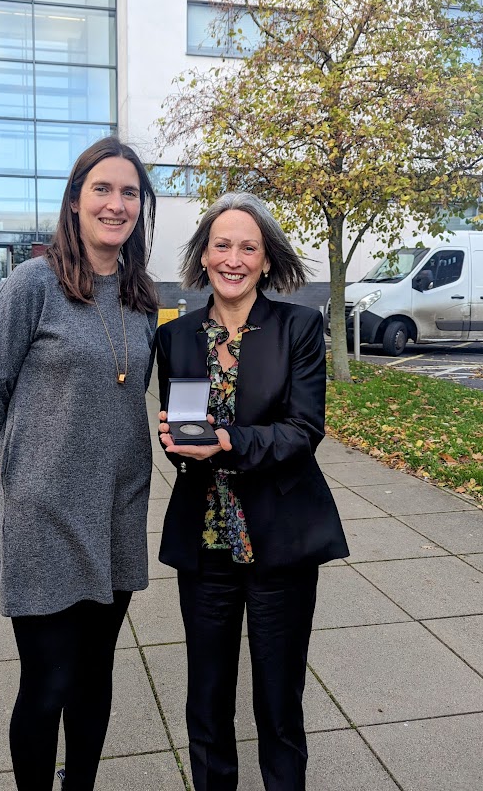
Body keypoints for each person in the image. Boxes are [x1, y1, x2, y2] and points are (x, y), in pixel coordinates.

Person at [0, 137, 159, 791]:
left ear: (141, 207)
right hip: (43, 520)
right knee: (46, 684)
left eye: (128, 192)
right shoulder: (31, 287)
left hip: (118, 514)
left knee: (95, 676)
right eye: (101, 189)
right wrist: (21, 484)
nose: (115, 203)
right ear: (75, 201)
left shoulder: (140, 300)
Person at [155, 192, 349, 791]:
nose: (233, 258)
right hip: (206, 543)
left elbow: (302, 430)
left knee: (279, 703)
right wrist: (177, 441)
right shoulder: (177, 336)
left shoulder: (298, 327)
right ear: (203, 255)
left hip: (280, 543)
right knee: (207, 703)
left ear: (266, 260)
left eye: (248, 247)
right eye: (221, 245)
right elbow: (181, 424)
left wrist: (226, 442)